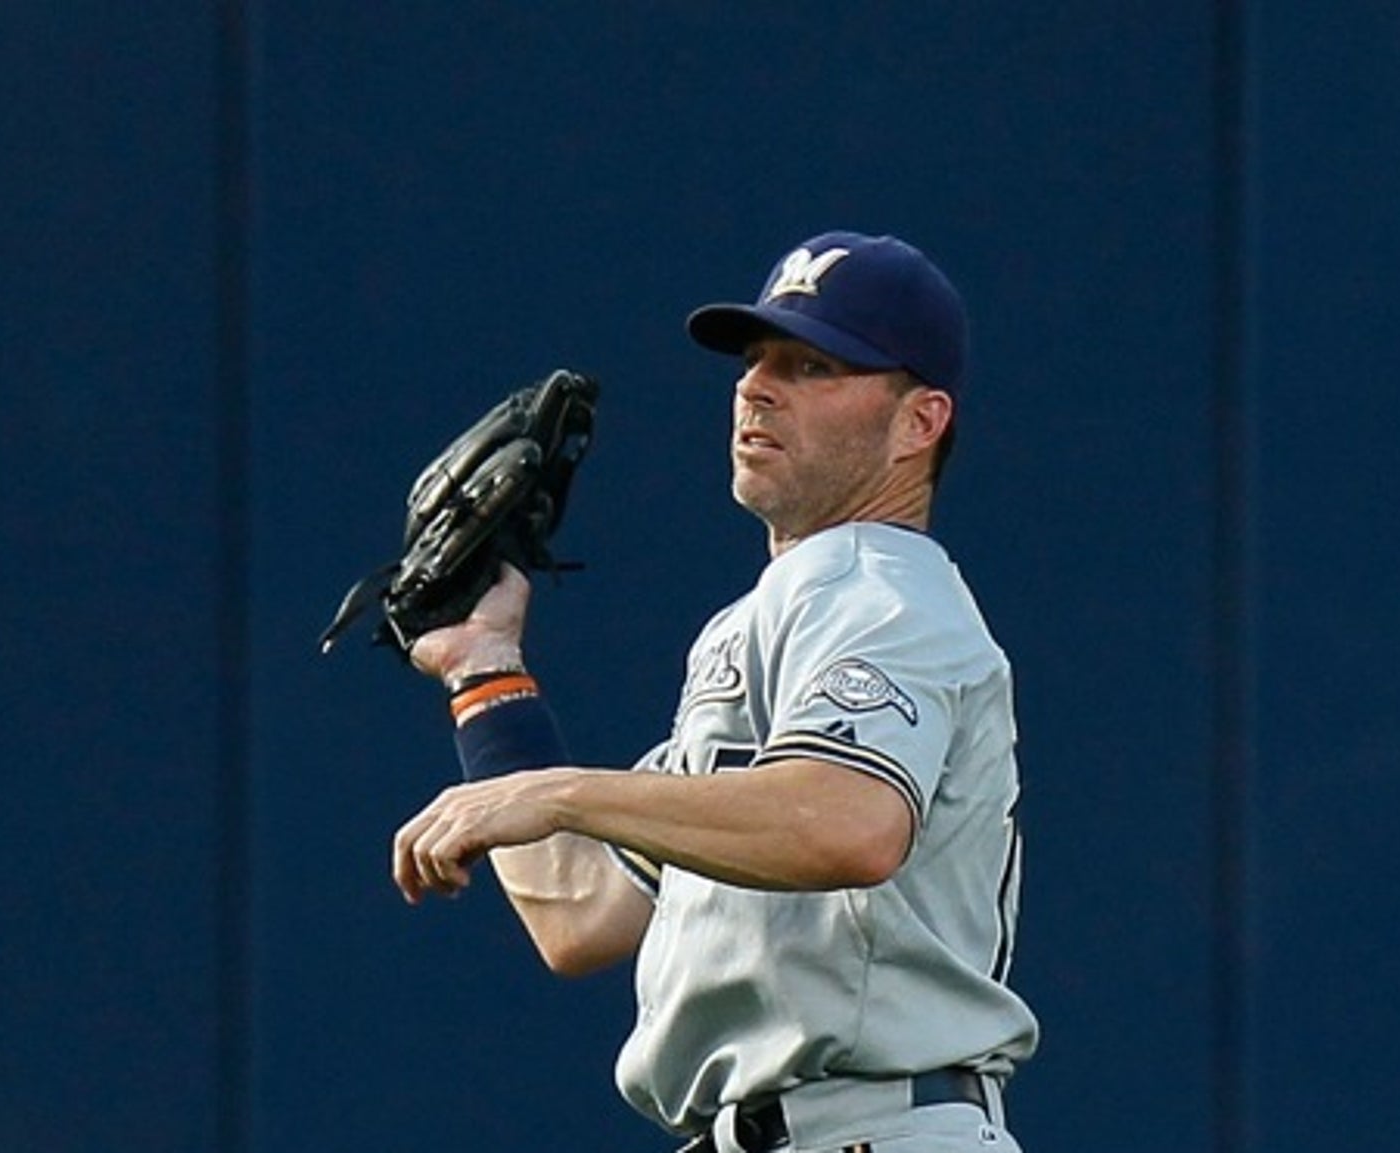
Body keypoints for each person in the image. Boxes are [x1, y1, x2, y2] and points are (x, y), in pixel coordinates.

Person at [390, 230, 1038, 1153]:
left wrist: (555, 791)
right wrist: (484, 667)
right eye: (755, 358)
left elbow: (848, 824)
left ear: (919, 421)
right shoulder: (776, 617)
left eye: (814, 365)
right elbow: (580, 911)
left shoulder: (885, 590)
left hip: (874, 1129)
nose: (758, 387)